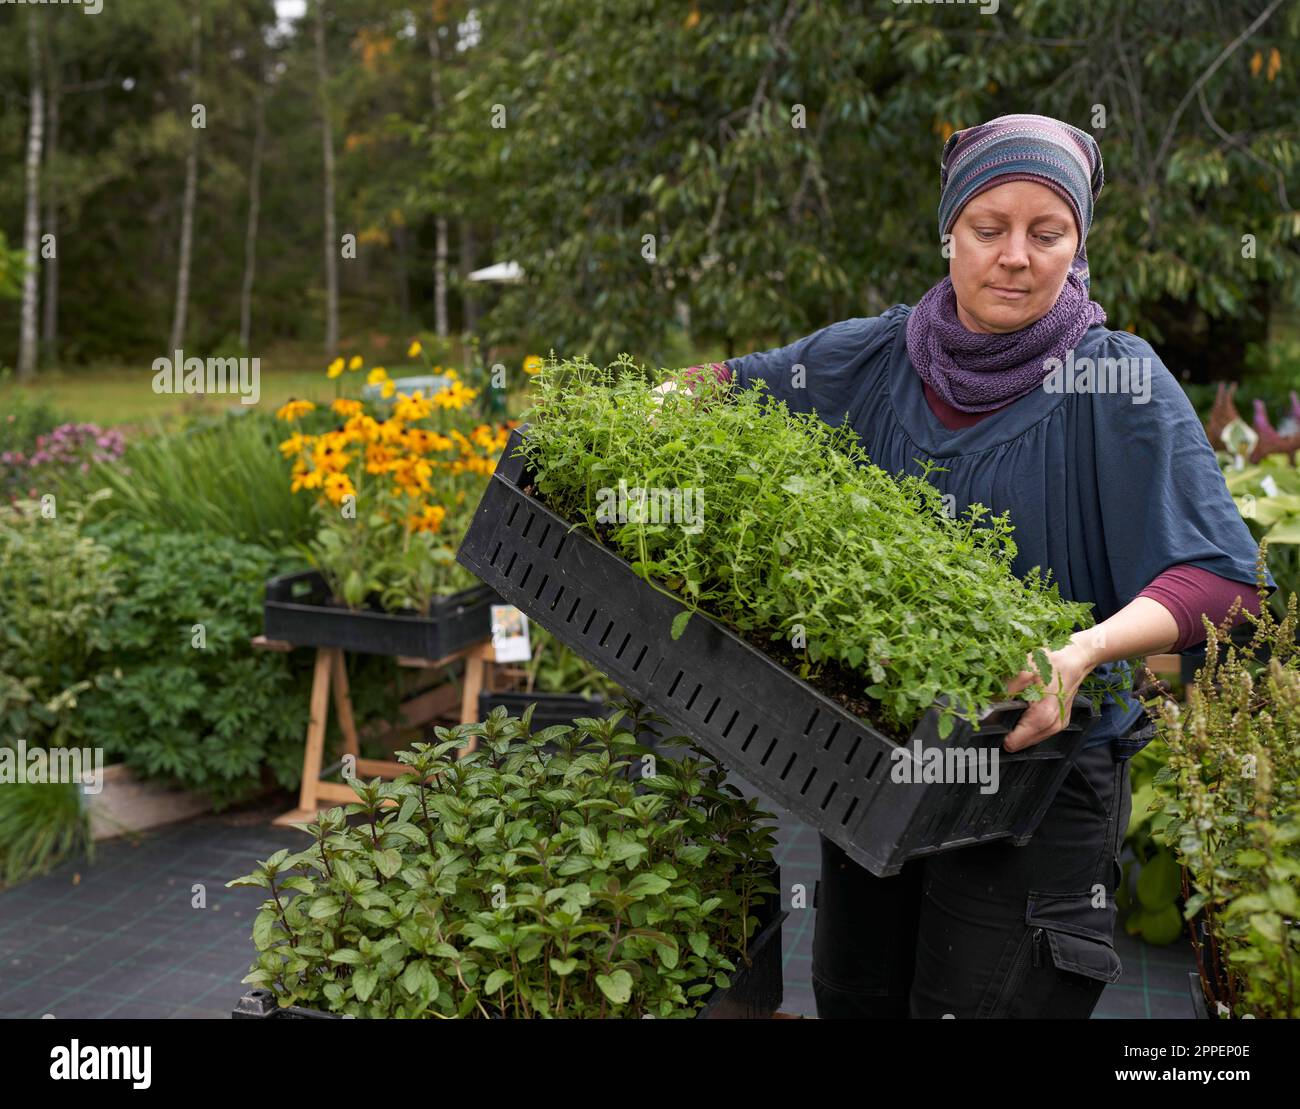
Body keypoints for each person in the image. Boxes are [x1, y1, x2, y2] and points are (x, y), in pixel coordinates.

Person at [672, 114, 1274, 1019]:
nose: (1016, 258)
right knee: (856, 996)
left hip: (1039, 773)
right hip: (876, 761)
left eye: (1048, 233)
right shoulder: (876, 356)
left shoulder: (1117, 383)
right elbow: (723, 390)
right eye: (989, 229)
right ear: (948, 231)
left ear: (1077, 245)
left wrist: (1077, 651)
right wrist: (638, 417)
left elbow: (1224, 580)